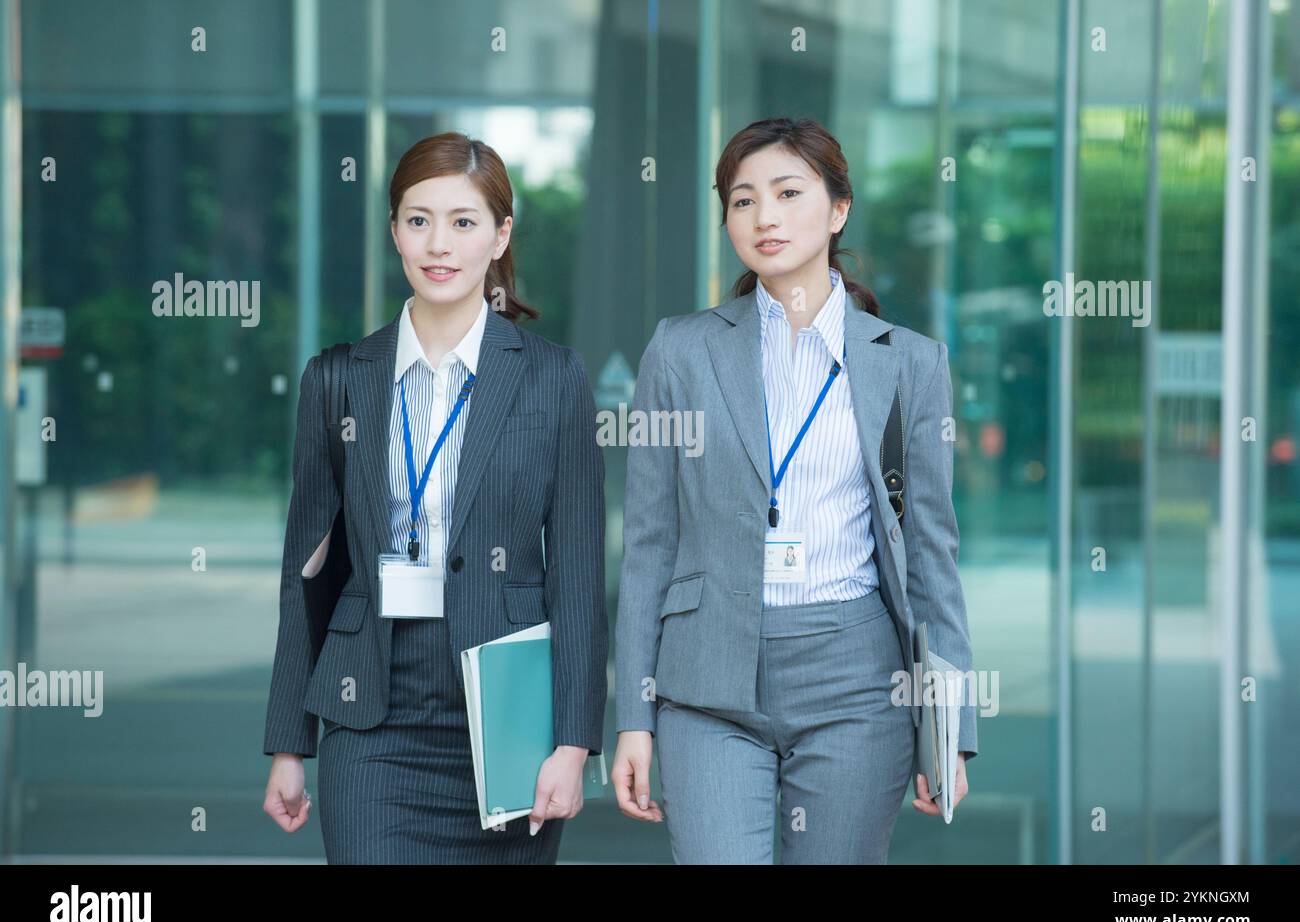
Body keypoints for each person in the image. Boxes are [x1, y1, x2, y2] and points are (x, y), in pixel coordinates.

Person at [611, 117, 978, 864]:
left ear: (838, 209)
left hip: (857, 681)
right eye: (742, 201)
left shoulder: (909, 364)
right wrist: (632, 717)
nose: (765, 216)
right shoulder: (680, 350)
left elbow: (932, 557)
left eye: (787, 192)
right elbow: (649, 544)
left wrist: (952, 726)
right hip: (707, 683)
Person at [262, 132, 607, 864]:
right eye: (418, 220)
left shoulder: (553, 380)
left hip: (508, 723)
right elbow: (306, 576)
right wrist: (290, 745)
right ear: (394, 231)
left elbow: (575, 573)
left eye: (463, 221)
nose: (438, 244)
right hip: (370, 722)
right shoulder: (338, 379)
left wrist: (574, 742)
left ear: (500, 233)